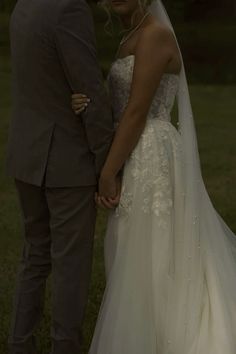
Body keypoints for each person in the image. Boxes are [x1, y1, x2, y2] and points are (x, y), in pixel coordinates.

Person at [72, 0, 236, 353]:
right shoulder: (130, 36)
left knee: (154, 245)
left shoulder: (156, 36)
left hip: (149, 151)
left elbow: (135, 111)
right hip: (131, 146)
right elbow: (117, 104)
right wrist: (85, 103)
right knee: (130, 242)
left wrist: (108, 171)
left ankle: (165, 335)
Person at [6, 0, 117, 353]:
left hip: (26, 151)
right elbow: (89, 88)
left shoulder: (23, 6)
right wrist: (107, 164)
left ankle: (18, 343)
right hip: (65, 159)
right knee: (71, 263)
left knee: (35, 255)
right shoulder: (69, 8)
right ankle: (64, 346)